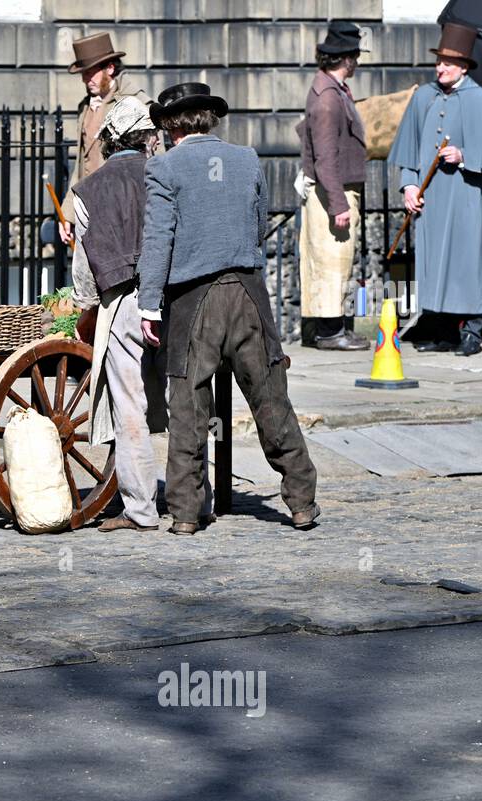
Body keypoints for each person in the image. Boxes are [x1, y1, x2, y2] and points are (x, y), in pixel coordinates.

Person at [138, 83, 321, 534]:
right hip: (248, 292)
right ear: (209, 120)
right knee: (270, 400)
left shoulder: (163, 167)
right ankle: (301, 502)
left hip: (192, 299)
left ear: (171, 125)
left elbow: (159, 239)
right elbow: (259, 225)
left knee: (188, 406)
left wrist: (148, 304)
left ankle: (184, 512)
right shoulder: (247, 159)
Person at [69, 96, 213, 532]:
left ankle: (141, 510)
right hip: (174, 300)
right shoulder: (167, 173)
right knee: (183, 403)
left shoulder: (88, 189)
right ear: (149, 138)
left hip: (120, 306)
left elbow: (83, 273)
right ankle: (195, 503)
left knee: (129, 407)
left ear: (109, 141)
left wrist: (84, 310)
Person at [388, 23, 482, 356]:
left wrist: (463, 155)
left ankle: (472, 331)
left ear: (463, 66)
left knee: (463, 261)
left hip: (465, 195)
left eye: (448, 62)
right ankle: (441, 329)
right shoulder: (423, 97)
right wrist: (409, 186)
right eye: (439, 61)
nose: (440, 67)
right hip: (431, 199)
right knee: (432, 262)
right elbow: (408, 149)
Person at [297, 20, 370, 351]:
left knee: (334, 260)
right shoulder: (328, 98)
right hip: (331, 191)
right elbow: (326, 158)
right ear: (349, 58)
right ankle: (329, 332)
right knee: (331, 261)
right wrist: (338, 204)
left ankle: (331, 328)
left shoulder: (331, 89)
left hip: (333, 189)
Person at [57, 32, 150, 246]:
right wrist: (68, 214)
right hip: (89, 212)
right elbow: (82, 165)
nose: (85, 79)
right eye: (83, 73)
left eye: (91, 72)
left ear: (110, 68)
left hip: (123, 214)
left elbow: (154, 160)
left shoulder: (134, 104)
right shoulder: (86, 107)